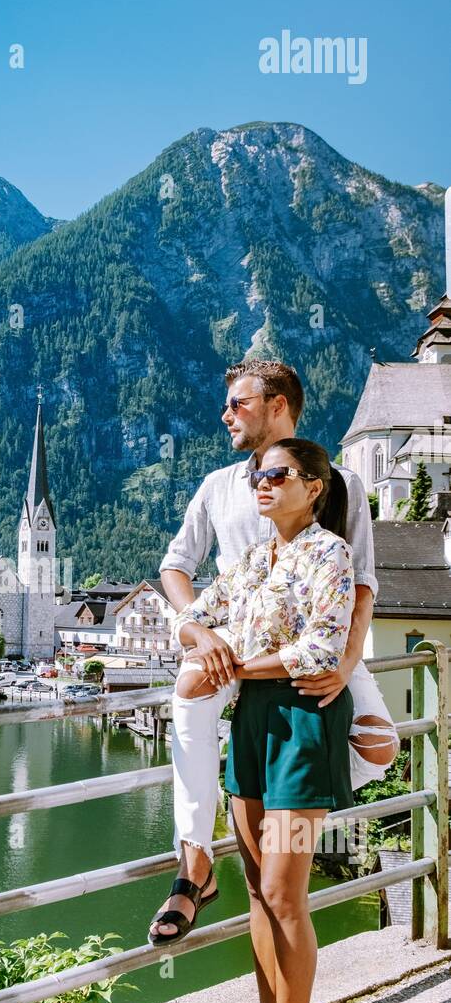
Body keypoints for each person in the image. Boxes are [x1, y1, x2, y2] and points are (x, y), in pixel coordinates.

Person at [148, 360, 397, 947]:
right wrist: (198, 632)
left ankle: (297, 802)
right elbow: (176, 568)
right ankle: (195, 862)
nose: (225, 414)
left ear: (279, 405)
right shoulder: (217, 486)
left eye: (238, 404)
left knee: (382, 747)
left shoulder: (339, 482)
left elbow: (361, 581)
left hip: (317, 636)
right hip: (236, 638)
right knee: (189, 695)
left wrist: (345, 659)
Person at [164, 438, 356, 1003]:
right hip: (252, 723)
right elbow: (198, 611)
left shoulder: (329, 554)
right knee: (253, 887)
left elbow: (319, 648)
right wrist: (200, 639)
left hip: (304, 723)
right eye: (257, 477)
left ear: (314, 487)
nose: (261, 485)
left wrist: (232, 665)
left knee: (284, 894)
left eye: (277, 475)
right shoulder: (253, 559)